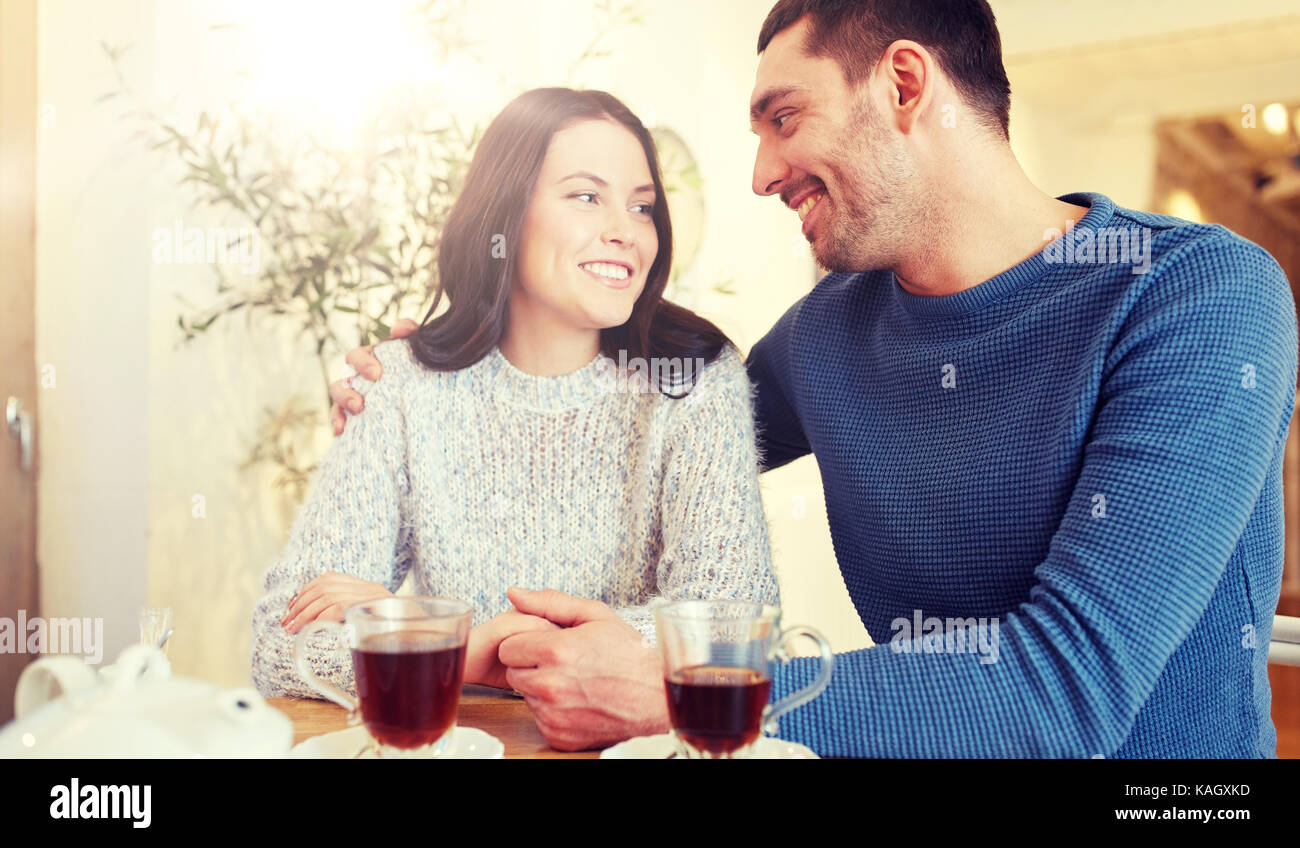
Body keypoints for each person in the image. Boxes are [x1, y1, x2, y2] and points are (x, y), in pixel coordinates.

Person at [332, 0, 1298, 757]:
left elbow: (1066, 688)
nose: (761, 173)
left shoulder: (1197, 296)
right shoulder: (827, 334)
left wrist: (688, 688)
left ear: (905, 84)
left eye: (783, 118)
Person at [250, 87, 779, 711]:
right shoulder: (397, 386)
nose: (625, 233)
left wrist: (421, 631)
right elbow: (279, 645)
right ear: (504, 213)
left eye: (641, 207)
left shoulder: (694, 379)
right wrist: (469, 649)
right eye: (586, 196)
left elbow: (729, 629)